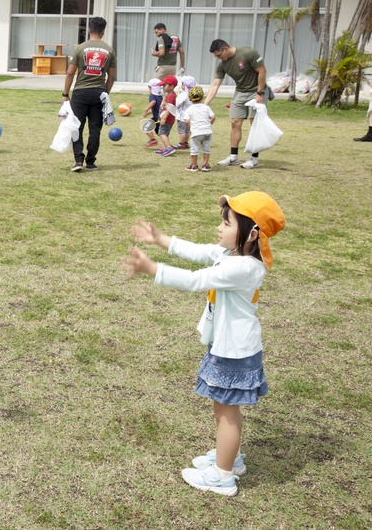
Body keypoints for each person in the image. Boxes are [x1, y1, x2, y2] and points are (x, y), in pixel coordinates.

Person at [121, 192, 286, 497]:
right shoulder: (233, 255)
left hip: (234, 351)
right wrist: (162, 239)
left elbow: (196, 280)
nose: (219, 228)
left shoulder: (242, 268)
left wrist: (153, 269)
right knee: (223, 409)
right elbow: (199, 252)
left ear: (251, 234)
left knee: (227, 413)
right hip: (227, 345)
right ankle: (230, 460)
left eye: (227, 223)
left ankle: (223, 476)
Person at [63, 16, 117, 172]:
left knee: (76, 127)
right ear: (103, 32)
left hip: (80, 92)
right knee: (95, 129)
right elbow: (111, 76)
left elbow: (70, 73)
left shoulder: (80, 48)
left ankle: (78, 160)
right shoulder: (109, 50)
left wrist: (65, 93)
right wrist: (105, 93)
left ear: (88, 30)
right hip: (99, 92)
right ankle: (91, 162)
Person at [205, 39, 267, 169]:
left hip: (256, 90)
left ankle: (254, 159)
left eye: (218, 55)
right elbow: (215, 84)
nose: (218, 58)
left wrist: (259, 93)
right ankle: (233, 157)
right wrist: (205, 104)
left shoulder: (248, 53)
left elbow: (262, 71)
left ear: (225, 49)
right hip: (240, 92)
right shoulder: (222, 65)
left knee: (254, 123)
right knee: (235, 122)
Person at [183, 85, 216, 172]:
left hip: (196, 132)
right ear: (202, 97)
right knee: (206, 148)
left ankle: (194, 165)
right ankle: (205, 164)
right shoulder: (206, 107)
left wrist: (190, 129)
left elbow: (186, 121)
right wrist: (209, 124)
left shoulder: (189, 109)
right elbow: (213, 117)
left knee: (194, 149)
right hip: (207, 131)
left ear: (190, 98)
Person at [143, 77, 162, 148]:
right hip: (159, 118)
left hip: (156, 118)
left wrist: (146, 109)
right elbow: (157, 108)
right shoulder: (160, 97)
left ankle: (153, 140)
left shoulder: (152, 96)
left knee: (146, 128)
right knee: (160, 133)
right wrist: (149, 112)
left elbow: (153, 102)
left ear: (151, 88)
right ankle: (167, 144)